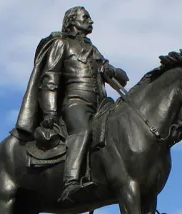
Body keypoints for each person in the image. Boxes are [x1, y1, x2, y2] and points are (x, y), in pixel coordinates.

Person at [14, 6, 128, 203]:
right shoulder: (61, 44)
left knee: (123, 133)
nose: (91, 21)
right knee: (82, 131)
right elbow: (50, 79)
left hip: (100, 104)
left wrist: (113, 71)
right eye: (86, 17)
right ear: (72, 21)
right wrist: (50, 111)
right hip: (76, 102)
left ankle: (133, 187)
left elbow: (121, 78)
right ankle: (71, 183)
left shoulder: (93, 50)